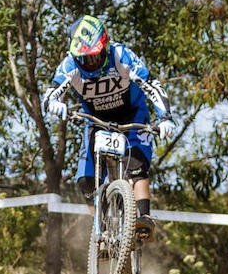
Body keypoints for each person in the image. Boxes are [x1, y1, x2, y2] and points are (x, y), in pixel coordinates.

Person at [42, 15, 175, 240]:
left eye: (95, 57)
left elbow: (152, 85)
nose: (90, 64)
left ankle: (144, 219)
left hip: (132, 114)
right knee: (85, 181)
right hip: (95, 120)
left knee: (137, 167)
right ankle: (99, 232)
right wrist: (54, 104)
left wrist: (165, 117)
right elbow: (50, 93)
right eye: (84, 59)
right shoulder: (70, 65)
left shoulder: (121, 56)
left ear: (105, 47)